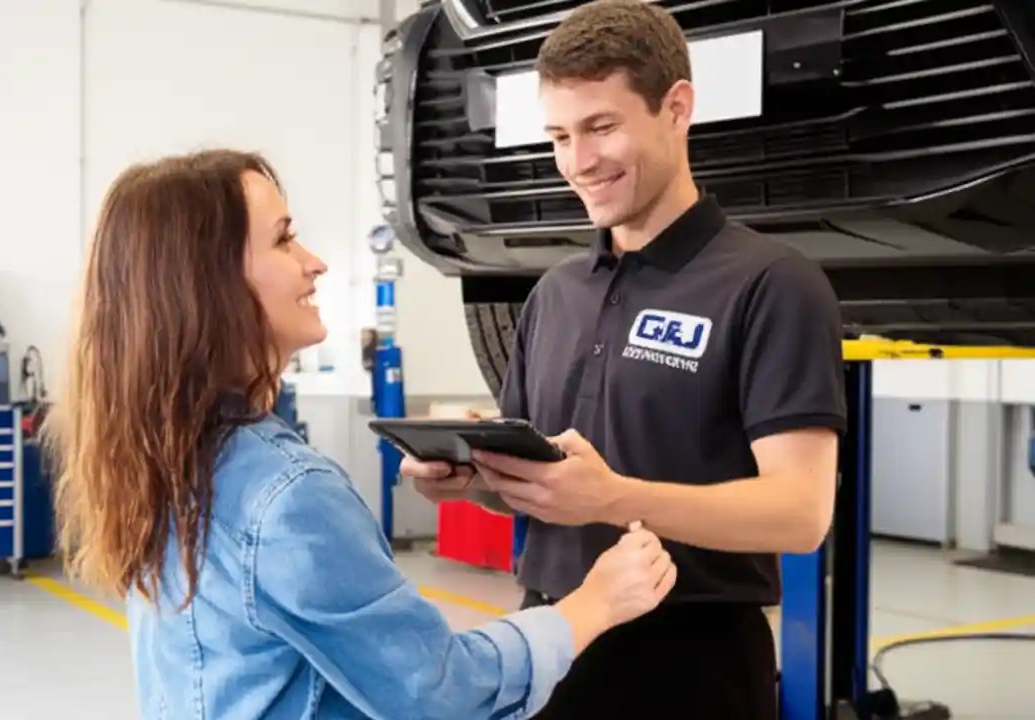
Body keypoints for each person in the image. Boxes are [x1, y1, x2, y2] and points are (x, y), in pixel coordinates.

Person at [45, 149, 678, 719]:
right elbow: (441, 693)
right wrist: (591, 605)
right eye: (285, 240)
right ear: (209, 286)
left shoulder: (163, 459)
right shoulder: (287, 494)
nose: (314, 263)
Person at [401, 1, 848, 718]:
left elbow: (799, 514)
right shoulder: (554, 294)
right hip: (551, 643)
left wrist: (614, 498)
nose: (578, 163)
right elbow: (548, 490)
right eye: (559, 136)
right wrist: (471, 481)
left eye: (602, 127)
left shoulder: (771, 284)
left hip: (693, 666)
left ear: (677, 108)